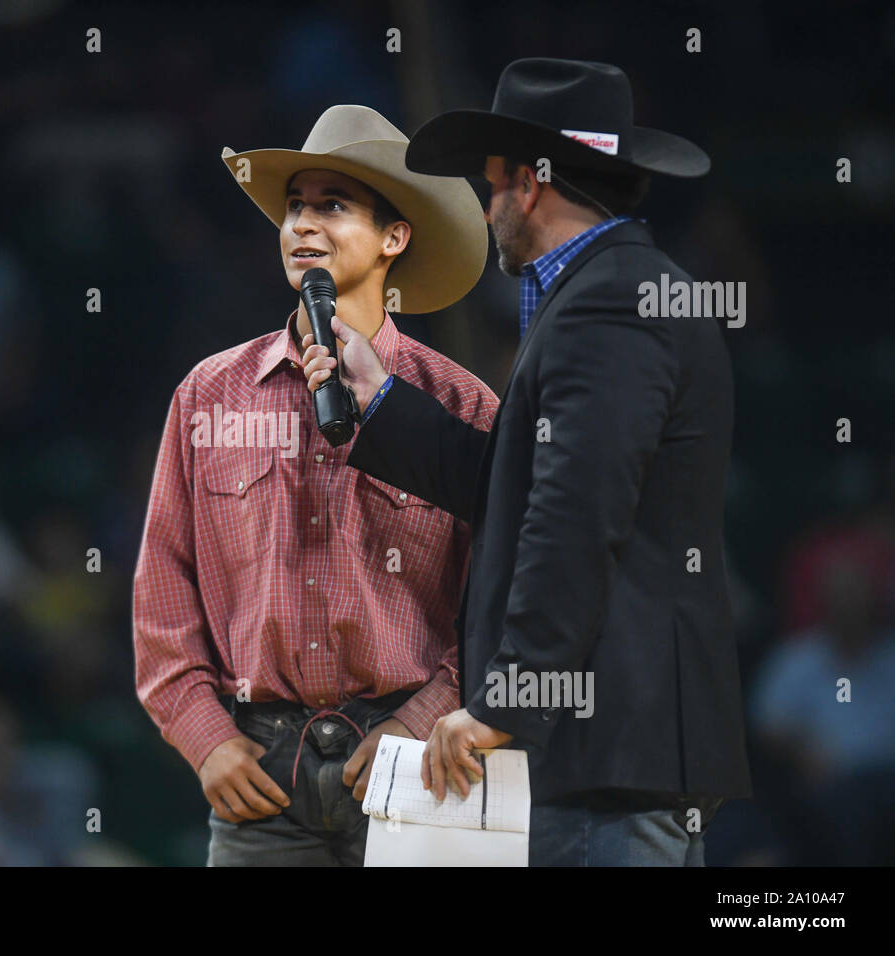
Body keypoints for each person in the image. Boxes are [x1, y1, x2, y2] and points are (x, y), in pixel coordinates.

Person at [302, 59, 753, 865]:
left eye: (488, 185)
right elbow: (522, 487)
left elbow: (575, 516)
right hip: (617, 753)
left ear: (527, 183)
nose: (485, 206)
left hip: (599, 754)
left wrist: (510, 695)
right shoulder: (621, 290)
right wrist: (380, 399)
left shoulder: (608, 302)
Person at [133, 104, 494, 865]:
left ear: (395, 237)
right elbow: (164, 585)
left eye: (332, 204)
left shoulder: (462, 405)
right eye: (295, 205)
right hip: (261, 766)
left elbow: (506, 597)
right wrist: (206, 740)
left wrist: (426, 715)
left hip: (426, 758)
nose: (301, 222)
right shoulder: (208, 395)